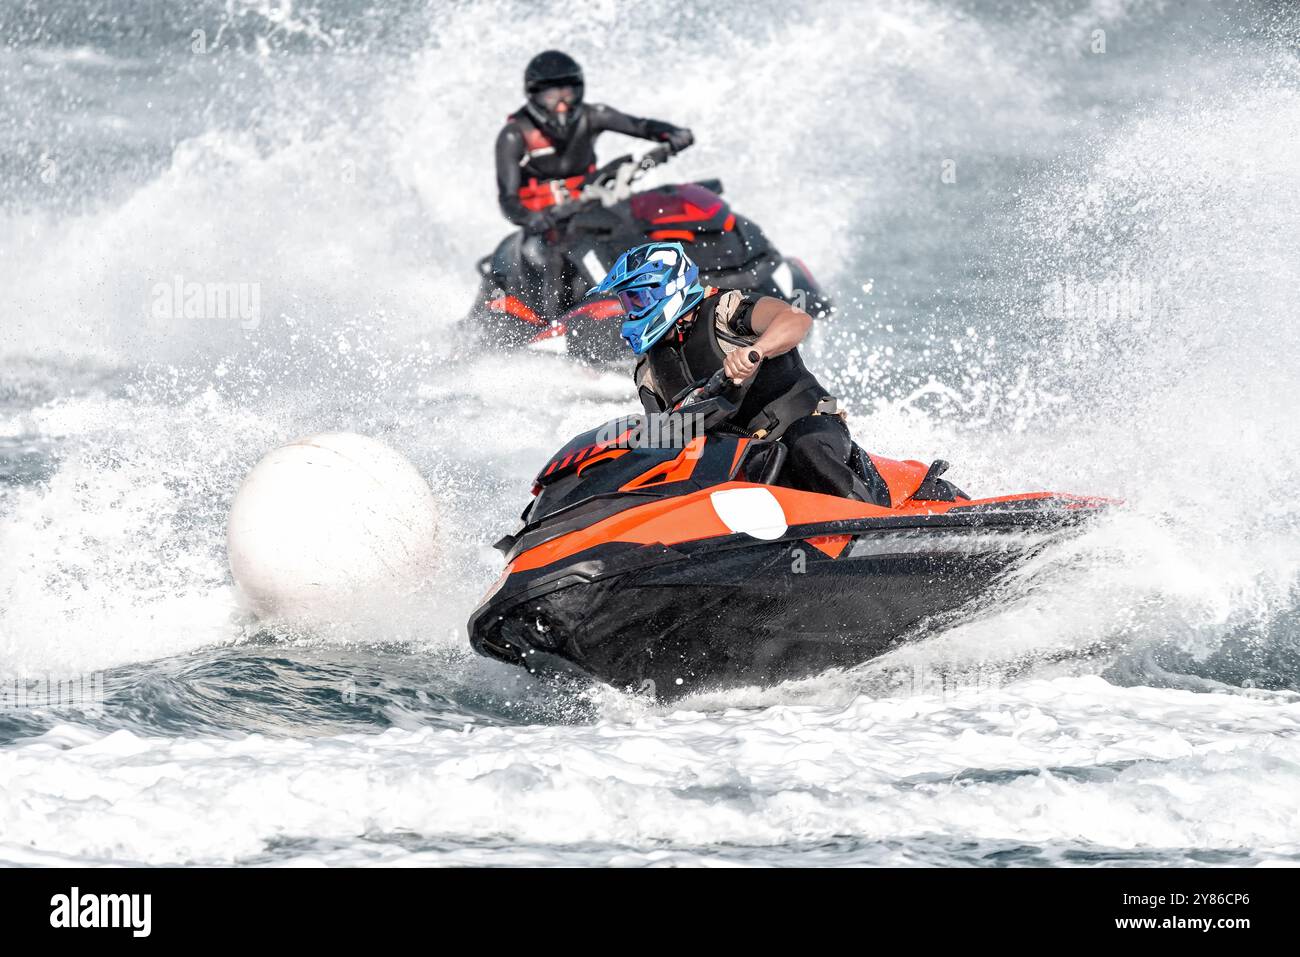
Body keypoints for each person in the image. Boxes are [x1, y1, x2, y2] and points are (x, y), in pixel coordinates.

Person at [589, 241, 890, 504]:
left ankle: (876, 530)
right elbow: (664, 441)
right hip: (743, 462)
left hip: (808, 430)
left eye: (637, 299)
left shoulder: (726, 311)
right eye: (627, 302)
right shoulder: (647, 371)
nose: (631, 311)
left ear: (667, 287)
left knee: (804, 448)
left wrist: (755, 351)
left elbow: (796, 318)